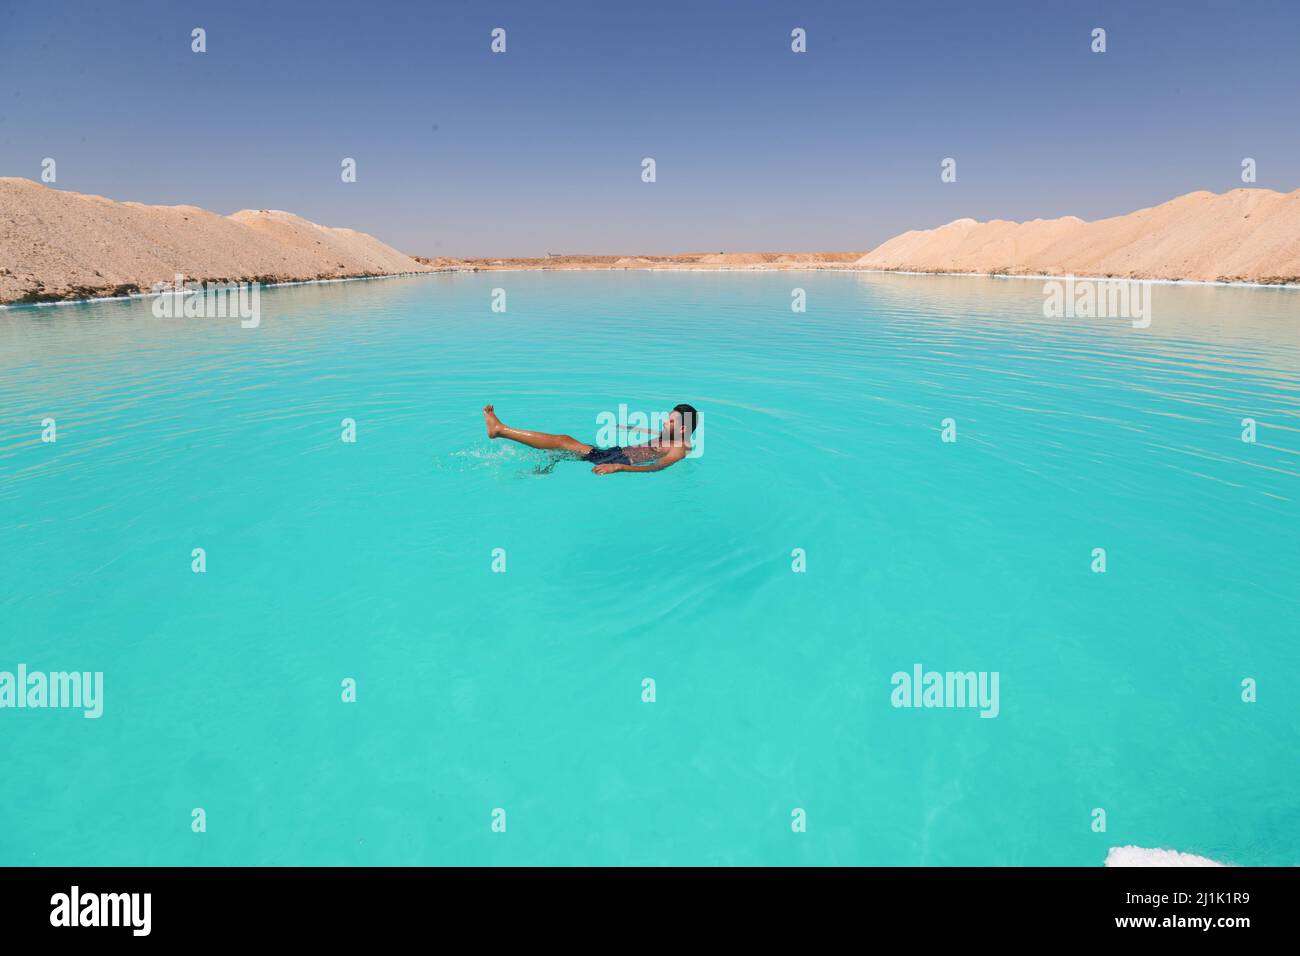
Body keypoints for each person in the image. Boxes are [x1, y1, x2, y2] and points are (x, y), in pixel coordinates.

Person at [483, 403, 698, 475]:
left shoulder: (680, 449)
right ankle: (548, 465)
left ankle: (500, 430)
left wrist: (619, 468)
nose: (664, 423)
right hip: (615, 452)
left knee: (563, 442)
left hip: (619, 461)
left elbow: (656, 468)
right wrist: (627, 426)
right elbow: (653, 439)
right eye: (667, 419)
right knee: (564, 445)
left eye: (671, 422)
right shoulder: (669, 436)